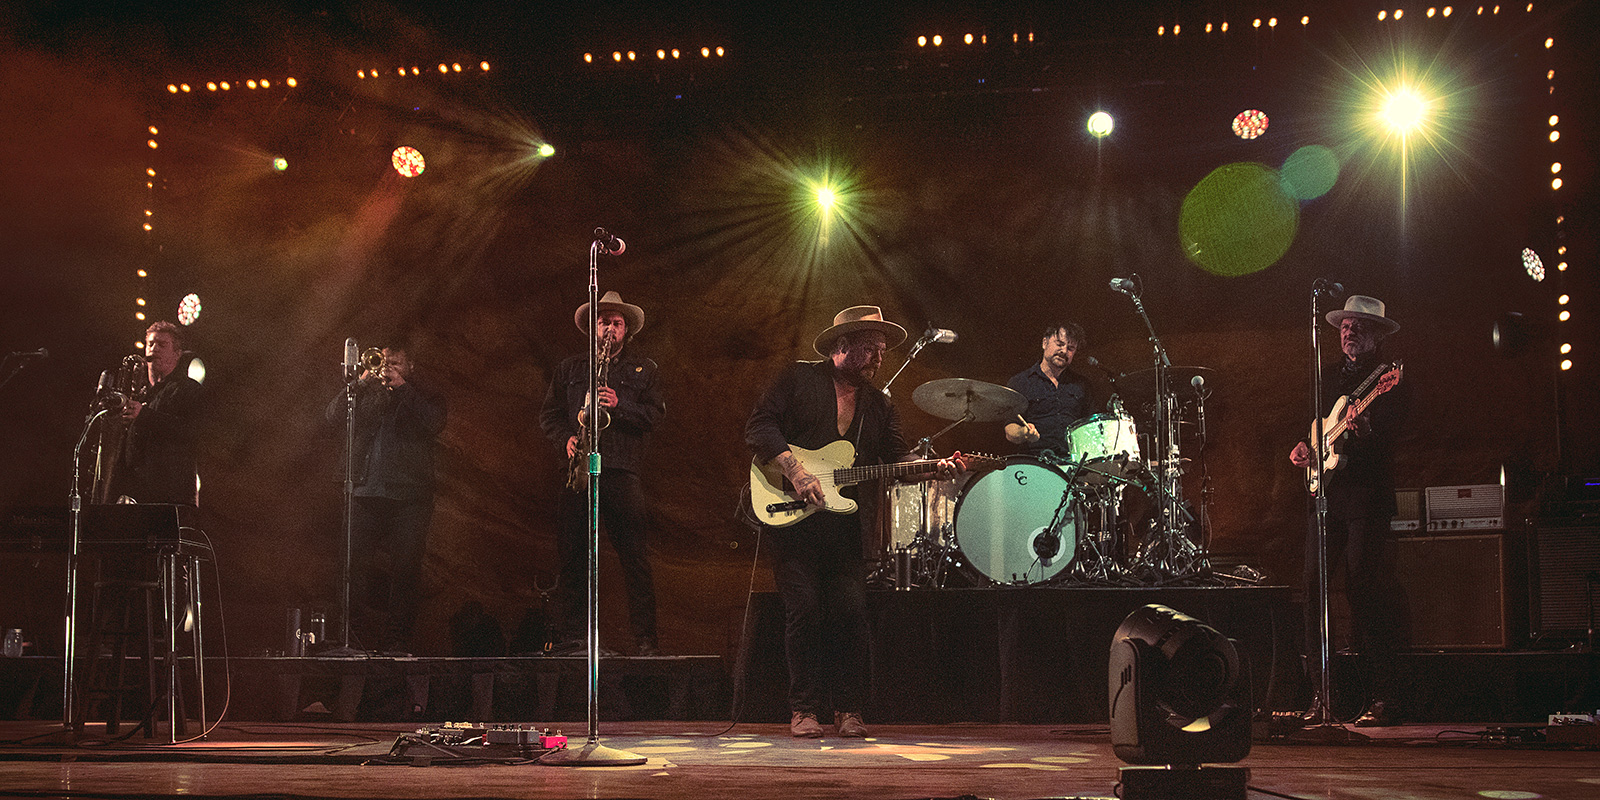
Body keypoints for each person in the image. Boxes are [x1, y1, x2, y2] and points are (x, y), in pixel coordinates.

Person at [746, 305, 965, 739]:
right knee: (804, 610)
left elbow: (896, 458)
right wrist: (796, 470)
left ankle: (848, 709)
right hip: (792, 518)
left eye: (882, 351)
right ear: (841, 347)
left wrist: (933, 467)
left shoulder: (878, 404)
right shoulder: (797, 378)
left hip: (844, 528)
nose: (879, 359)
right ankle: (803, 708)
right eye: (871, 349)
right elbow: (759, 425)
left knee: (850, 612)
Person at [1289, 295, 1411, 727]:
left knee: (1364, 589)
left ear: (1377, 335)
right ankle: (1321, 696)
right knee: (1312, 588)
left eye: (1359, 325)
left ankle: (1383, 695)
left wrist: (1368, 429)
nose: (1349, 331)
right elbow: (1317, 426)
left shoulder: (1387, 379)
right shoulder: (1325, 375)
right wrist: (1306, 448)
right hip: (1328, 498)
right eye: (1345, 325)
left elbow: (1397, 437)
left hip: (1368, 498)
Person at [539, 291, 663, 657]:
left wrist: (619, 405)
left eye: (617, 323)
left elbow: (655, 416)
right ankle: (575, 637)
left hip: (621, 468)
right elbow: (549, 416)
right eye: (604, 321)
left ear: (627, 330)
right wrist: (566, 439)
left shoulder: (645, 369)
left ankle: (645, 640)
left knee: (634, 556)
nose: (610, 328)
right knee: (572, 554)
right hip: (579, 470)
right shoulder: (570, 369)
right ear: (593, 327)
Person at [325, 345, 447, 655]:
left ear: (411, 366)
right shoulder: (365, 392)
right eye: (383, 360)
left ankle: (397, 642)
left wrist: (403, 390)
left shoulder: (425, 395)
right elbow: (332, 415)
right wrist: (361, 382)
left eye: (396, 361)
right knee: (351, 568)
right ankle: (351, 638)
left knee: (405, 571)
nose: (387, 366)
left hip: (410, 496)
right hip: (364, 491)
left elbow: (433, 424)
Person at [113, 321, 204, 505]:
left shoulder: (187, 388)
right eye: (150, 344)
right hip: (135, 494)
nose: (154, 349)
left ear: (177, 354)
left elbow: (190, 431)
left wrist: (143, 415)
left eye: (162, 345)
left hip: (169, 497)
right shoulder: (143, 393)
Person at [1004, 322, 1094, 456]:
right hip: (1035, 462)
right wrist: (1024, 433)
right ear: (1045, 343)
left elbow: (1092, 427)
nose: (1064, 351)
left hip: (1073, 463)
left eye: (1070, 348)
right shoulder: (1020, 382)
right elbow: (1010, 430)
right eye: (1059, 344)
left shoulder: (1082, 385)